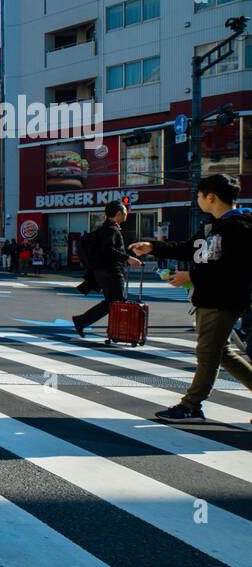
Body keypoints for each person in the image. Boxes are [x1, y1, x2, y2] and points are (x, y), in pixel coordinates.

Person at [130, 174, 252, 424]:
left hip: (224, 298)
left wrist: (192, 274)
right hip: (207, 297)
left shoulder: (239, 227)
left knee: (208, 352)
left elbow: (234, 268)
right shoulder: (211, 225)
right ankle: (191, 406)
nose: (197, 200)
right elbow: (187, 248)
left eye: (199, 195)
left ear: (211, 197)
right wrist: (153, 247)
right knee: (223, 352)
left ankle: (191, 406)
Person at [72, 201, 141, 339]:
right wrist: (127, 258)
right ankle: (116, 332)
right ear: (118, 213)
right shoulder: (111, 230)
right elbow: (108, 250)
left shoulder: (105, 229)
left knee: (112, 302)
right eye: (125, 211)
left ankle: (82, 321)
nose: (127, 214)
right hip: (110, 272)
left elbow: (107, 249)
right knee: (118, 302)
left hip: (102, 272)